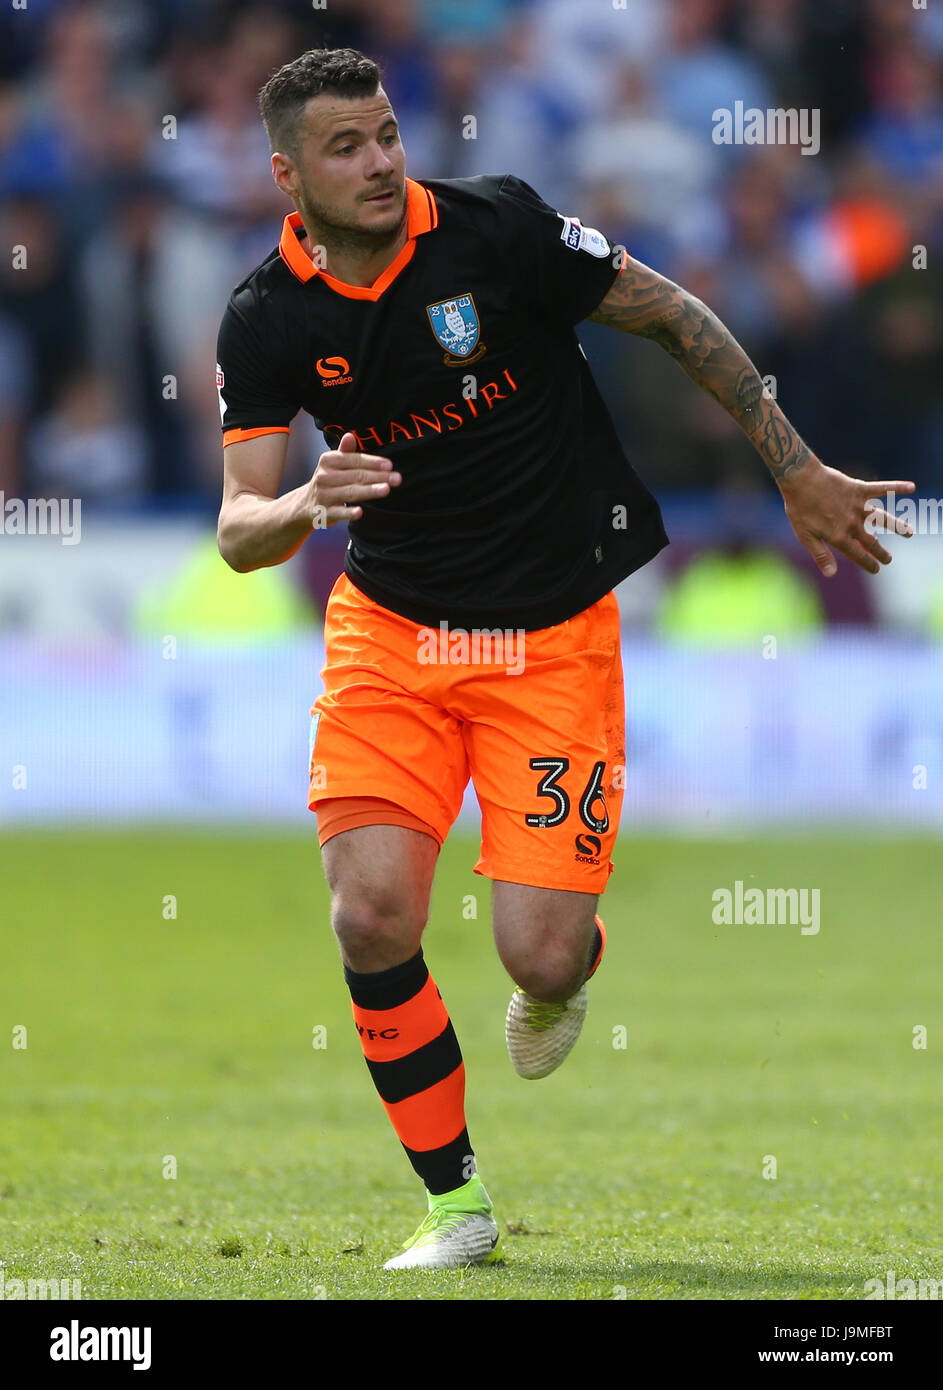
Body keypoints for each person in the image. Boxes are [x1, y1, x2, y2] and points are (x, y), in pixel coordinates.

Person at [215, 47, 914, 1271]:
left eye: (384, 133)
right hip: (389, 636)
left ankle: (568, 963)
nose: (379, 160)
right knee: (371, 913)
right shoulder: (265, 316)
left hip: (547, 641)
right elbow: (236, 525)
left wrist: (794, 465)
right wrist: (302, 506)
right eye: (345, 146)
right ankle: (455, 1208)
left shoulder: (498, 232)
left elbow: (675, 315)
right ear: (288, 173)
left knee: (536, 951)